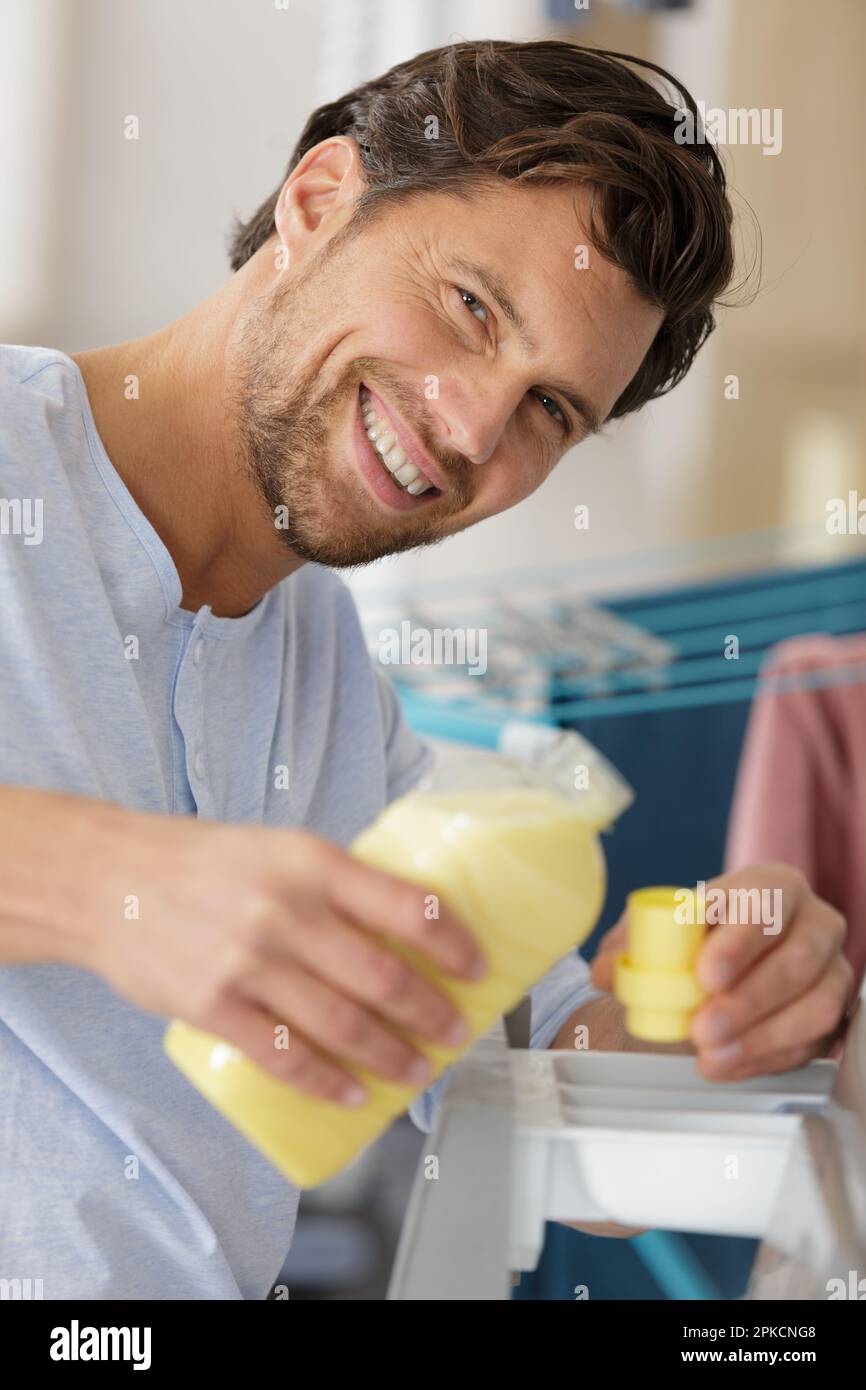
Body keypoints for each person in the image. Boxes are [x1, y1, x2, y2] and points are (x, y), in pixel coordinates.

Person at [0, 39, 851, 1299]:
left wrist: (710, 1014)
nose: (468, 430)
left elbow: (554, 1087)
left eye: (549, 410)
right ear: (318, 199)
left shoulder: (328, 691)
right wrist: (112, 886)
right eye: (468, 305)